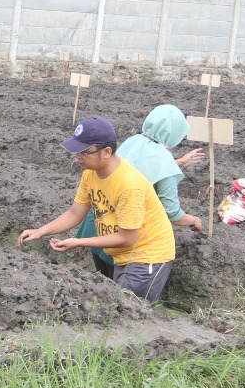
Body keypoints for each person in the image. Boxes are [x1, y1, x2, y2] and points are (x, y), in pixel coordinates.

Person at [17, 115, 177, 303]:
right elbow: (75, 213)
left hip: (147, 256)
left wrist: (78, 242)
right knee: (116, 309)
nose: (78, 156)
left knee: (128, 312)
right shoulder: (90, 174)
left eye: (84, 152)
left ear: (106, 152)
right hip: (122, 255)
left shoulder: (129, 185)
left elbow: (127, 237)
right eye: (77, 151)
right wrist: (40, 231)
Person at [70, 104, 205, 278]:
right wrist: (194, 220)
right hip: (120, 233)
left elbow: (138, 167)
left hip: (97, 224)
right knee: (121, 293)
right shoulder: (164, 162)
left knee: (102, 283)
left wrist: (177, 163)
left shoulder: (132, 141)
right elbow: (171, 212)